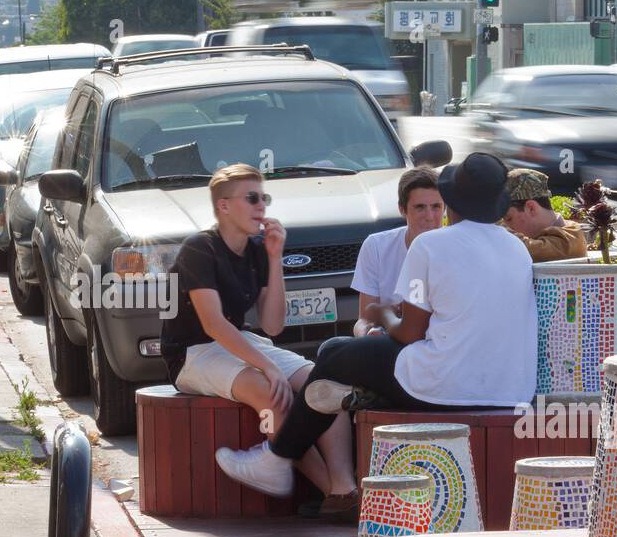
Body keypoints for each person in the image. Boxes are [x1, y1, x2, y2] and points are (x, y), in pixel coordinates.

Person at [214, 152, 537, 499]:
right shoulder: (516, 248)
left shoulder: (430, 245)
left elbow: (408, 332)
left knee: (334, 354)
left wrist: (384, 315)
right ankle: (304, 445)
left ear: (450, 205)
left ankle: (280, 459)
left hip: (445, 387)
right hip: (511, 389)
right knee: (339, 367)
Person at [162, 163, 356, 516]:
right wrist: (267, 367)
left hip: (239, 343)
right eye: (251, 198)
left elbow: (273, 324)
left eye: (263, 197)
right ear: (223, 205)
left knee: (328, 386)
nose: (261, 206)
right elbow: (214, 325)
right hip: (193, 352)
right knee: (271, 394)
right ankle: (333, 493)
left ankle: (345, 487)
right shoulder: (199, 248)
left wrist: (274, 257)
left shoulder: (255, 251)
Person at [351, 166, 444, 337]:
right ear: (402, 209)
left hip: (437, 345)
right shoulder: (375, 246)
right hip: (389, 343)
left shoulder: (456, 249)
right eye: (420, 207)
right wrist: (367, 336)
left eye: (436, 206)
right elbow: (364, 319)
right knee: (331, 348)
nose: (429, 216)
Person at [501, 168, 587, 263]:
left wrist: (494, 227)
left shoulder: (568, 241)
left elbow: (519, 249)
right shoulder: (565, 234)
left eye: (509, 218)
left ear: (531, 208)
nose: (507, 225)